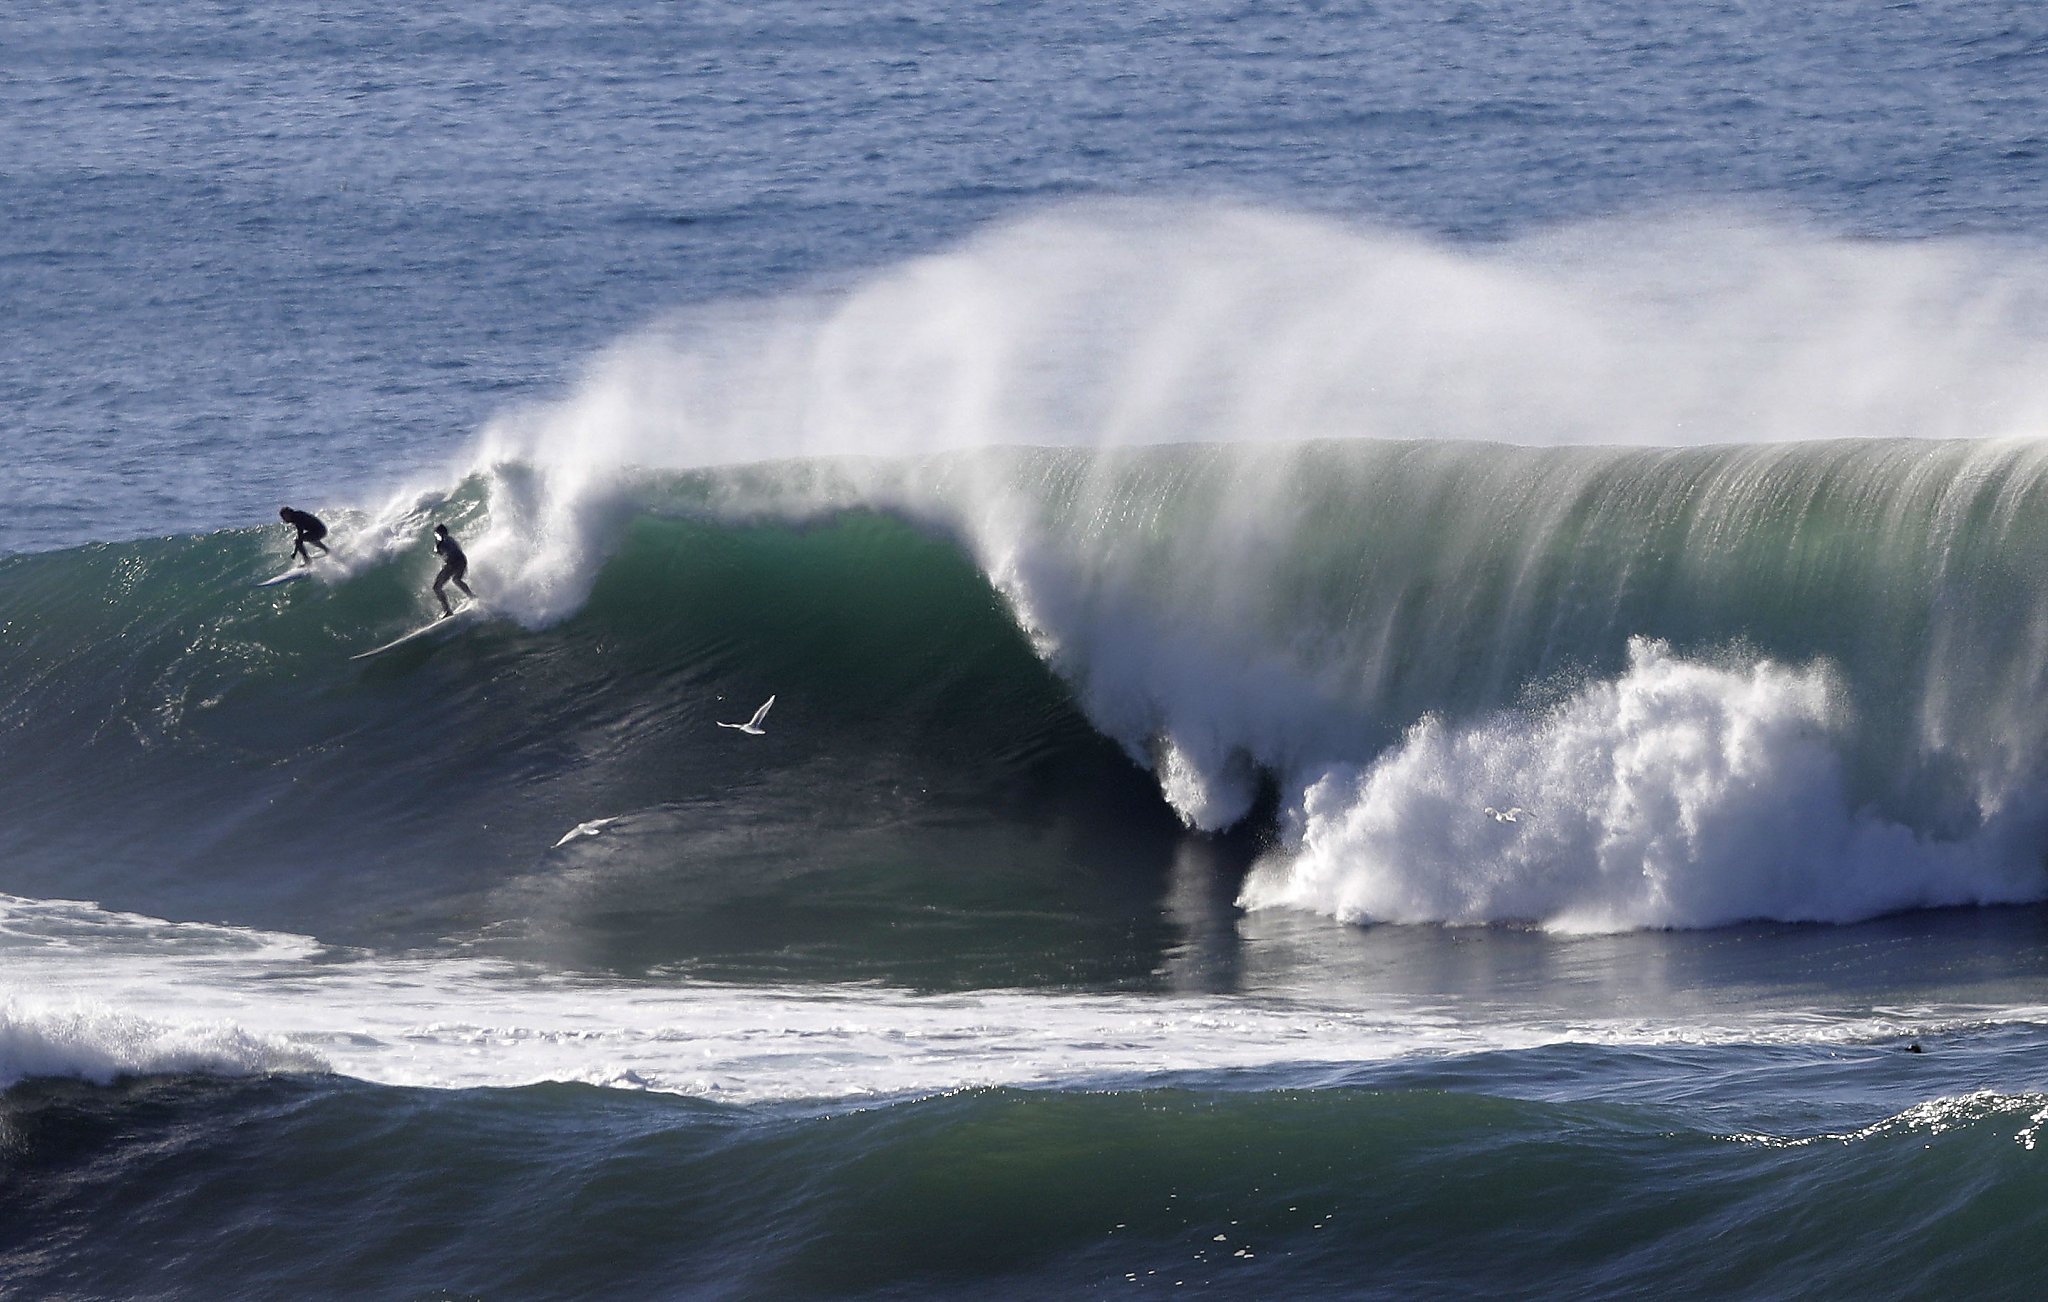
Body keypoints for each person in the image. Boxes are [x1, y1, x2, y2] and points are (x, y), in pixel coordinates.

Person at [432, 523, 474, 617]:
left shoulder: (442, 540)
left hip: (453, 562)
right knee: (456, 579)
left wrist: (437, 547)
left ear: (439, 533)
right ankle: (472, 596)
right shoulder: (451, 539)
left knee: (436, 587)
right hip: (462, 560)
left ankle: (447, 610)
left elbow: (438, 549)